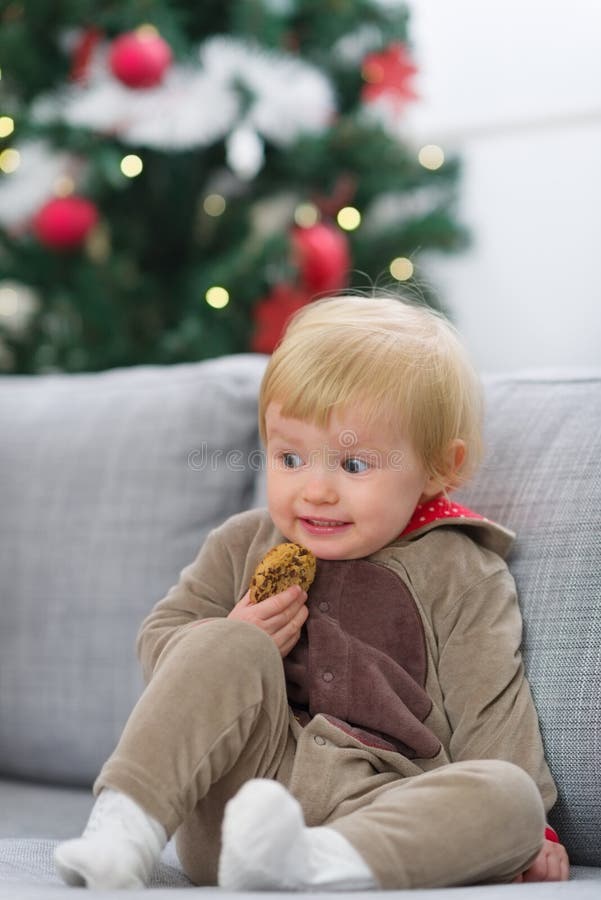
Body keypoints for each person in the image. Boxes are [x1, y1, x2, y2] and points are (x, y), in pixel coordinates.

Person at [55, 295, 569, 891]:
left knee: (510, 797)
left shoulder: (464, 571)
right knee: (224, 641)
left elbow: (492, 712)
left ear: (436, 468)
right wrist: (231, 632)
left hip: (383, 804)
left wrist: (536, 833)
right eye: (290, 457)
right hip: (240, 794)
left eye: (353, 466)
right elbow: (158, 645)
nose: (315, 490)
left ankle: (312, 864)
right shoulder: (242, 543)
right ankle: (124, 831)